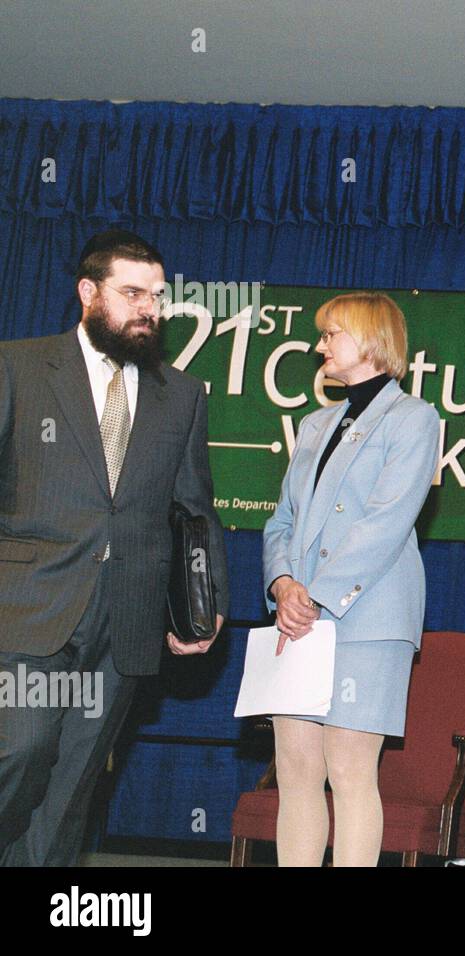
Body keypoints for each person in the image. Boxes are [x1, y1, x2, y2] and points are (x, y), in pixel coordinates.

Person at [0, 230, 229, 866]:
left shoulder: (180, 393)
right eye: (132, 294)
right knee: (19, 752)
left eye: (156, 297)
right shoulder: (16, 366)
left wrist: (205, 603)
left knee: (71, 792)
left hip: (125, 620)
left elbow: (194, 508)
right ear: (87, 292)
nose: (148, 310)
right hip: (24, 612)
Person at [261, 291, 440, 867]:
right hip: (300, 617)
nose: (319, 347)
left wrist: (313, 596)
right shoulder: (315, 424)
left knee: (350, 771)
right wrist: (284, 585)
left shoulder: (414, 419)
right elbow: (282, 520)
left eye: (331, 334)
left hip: (370, 619)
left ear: (368, 340)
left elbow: (387, 521)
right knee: (295, 770)